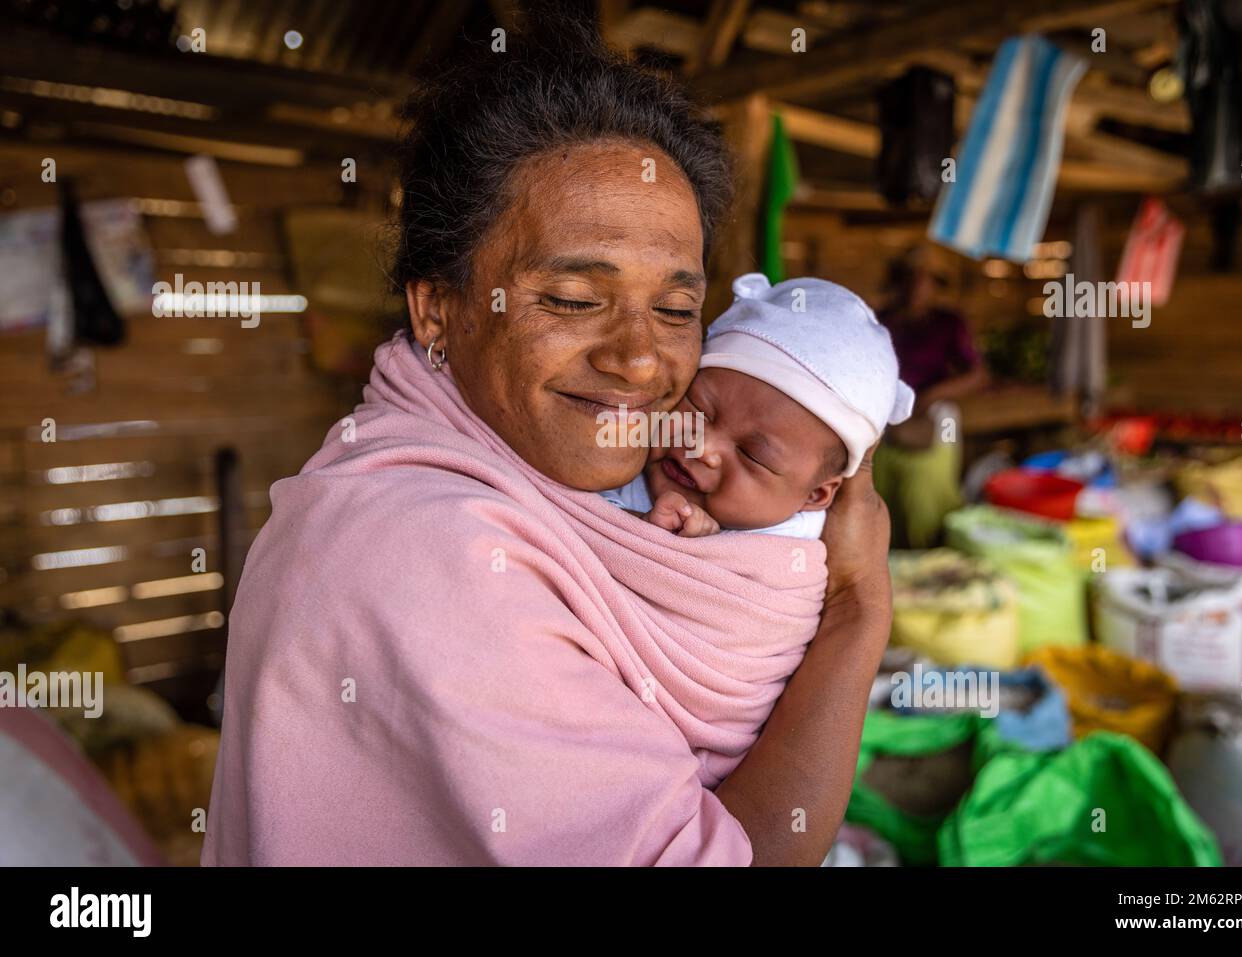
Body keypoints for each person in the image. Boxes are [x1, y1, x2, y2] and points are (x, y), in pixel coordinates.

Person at [202, 24, 893, 866]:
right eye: (570, 297)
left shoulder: (532, 483)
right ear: (437, 312)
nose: (641, 358)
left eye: (676, 311)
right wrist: (858, 612)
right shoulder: (432, 555)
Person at [604, 273, 914, 540]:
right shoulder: (616, 464)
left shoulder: (792, 546)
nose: (702, 446)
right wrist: (637, 526)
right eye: (699, 409)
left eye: (751, 454)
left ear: (814, 495)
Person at [874, 246, 990, 548]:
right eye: (911, 280)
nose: (918, 288)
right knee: (883, 481)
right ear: (898, 283)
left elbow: (977, 375)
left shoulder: (948, 323)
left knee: (924, 483)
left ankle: (928, 544)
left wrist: (930, 397)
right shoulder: (881, 320)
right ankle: (889, 547)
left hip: (934, 412)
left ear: (935, 286)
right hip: (887, 411)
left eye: (926, 281)